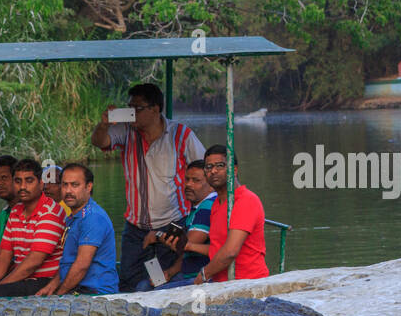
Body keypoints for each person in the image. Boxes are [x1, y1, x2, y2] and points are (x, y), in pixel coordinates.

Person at [90, 82, 206, 292]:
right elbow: (99, 141)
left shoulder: (181, 135)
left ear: (155, 109)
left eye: (138, 109)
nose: (132, 114)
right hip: (136, 227)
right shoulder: (126, 131)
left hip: (172, 224)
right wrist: (104, 123)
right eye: (130, 108)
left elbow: (205, 171)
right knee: (129, 281)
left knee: (163, 283)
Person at [0, 158, 64, 298]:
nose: (22, 187)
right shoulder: (15, 212)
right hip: (23, 279)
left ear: (41, 183)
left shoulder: (50, 212)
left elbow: (34, 261)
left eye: (29, 181)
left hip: (45, 280)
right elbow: (3, 256)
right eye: (18, 181)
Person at [38, 164, 118, 296]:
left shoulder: (92, 218)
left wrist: (59, 295)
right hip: (77, 289)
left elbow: (81, 266)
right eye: (64, 185)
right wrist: (51, 286)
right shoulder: (74, 217)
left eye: (75, 185)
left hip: (96, 293)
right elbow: (68, 262)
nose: (68, 191)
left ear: (88, 187)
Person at [193, 145, 269, 284]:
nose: (213, 171)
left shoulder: (246, 200)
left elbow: (231, 251)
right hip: (220, 282)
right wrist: (188, 245)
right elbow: (218, 247)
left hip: (247, 283)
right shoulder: (217, 203)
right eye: (208, 167)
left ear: (234, 169)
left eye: (220, 165)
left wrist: (204, 274)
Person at [135, 160, 215, 290]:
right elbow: (187, 254)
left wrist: (157, 235)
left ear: (211, 185)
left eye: (196, 181)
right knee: (143, 286)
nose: (188, 184)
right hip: (187, 271)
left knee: (153, 291)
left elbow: (186, 244)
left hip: (199, 277)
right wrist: (170, 273)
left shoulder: (207, 206)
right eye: (187, 179)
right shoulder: (197, 207)